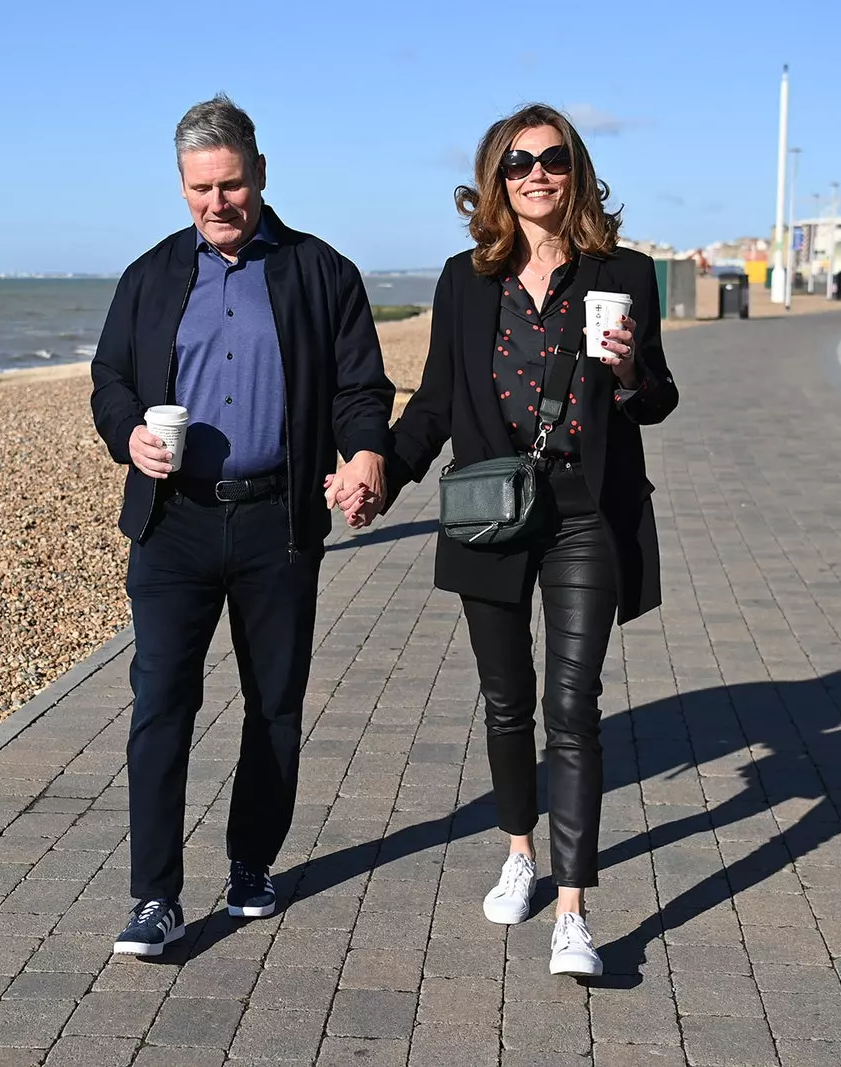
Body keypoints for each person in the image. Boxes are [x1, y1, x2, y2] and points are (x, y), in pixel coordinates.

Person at [330, 103, 679, 976]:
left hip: (586, 514)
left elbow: (660, 398)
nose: (536, 174)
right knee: (506, 701)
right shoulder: (464, 280)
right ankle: (520, 853)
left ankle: (574, 910)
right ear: (497, 178)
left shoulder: (625, 273)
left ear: (576, 169)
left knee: (573, 707)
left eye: (552, 159)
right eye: (518, 161)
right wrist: (380, 471)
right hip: (492, 510)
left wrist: (631, 370)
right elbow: (438, 404)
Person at [90, 94, 393, 957]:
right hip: (173, 523)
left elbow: (361, 389)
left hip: (278, 524)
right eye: (199, 189)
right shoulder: (149, 276)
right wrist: (130, 436)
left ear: (259, 174)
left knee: (274, 707)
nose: (216, 204)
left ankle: (251, 862)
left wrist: (365, 454)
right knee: (161, 707)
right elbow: (109, 380)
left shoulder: (320, 271)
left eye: (230, 185)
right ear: (181, 186)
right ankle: (155, 896)